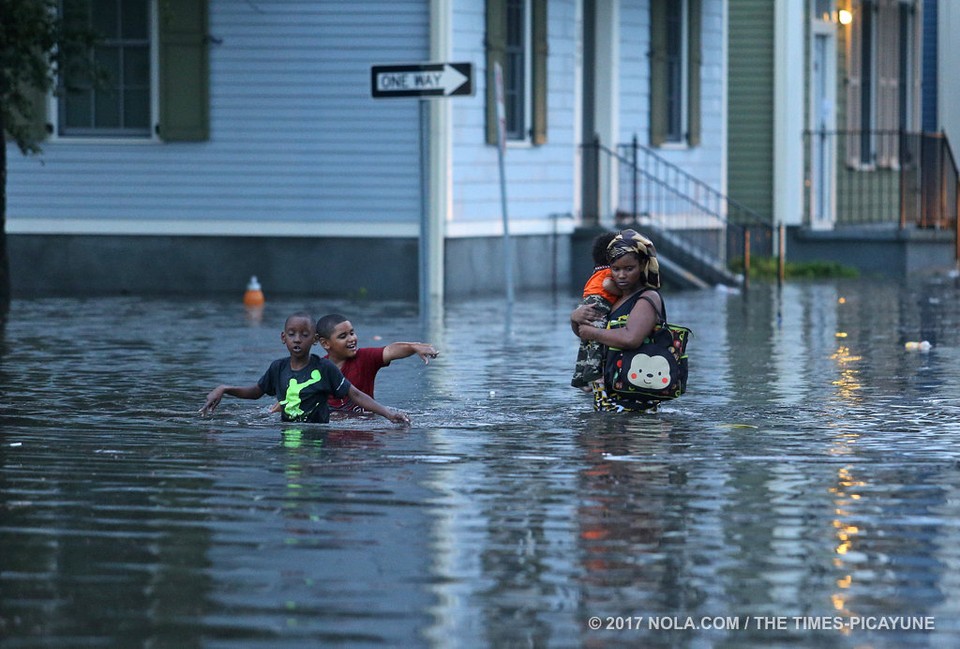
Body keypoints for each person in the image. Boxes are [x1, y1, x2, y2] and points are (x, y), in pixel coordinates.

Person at [200, 312, 410, 425]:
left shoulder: (324, 368)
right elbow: (255, 392)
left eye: (304, 334)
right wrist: (225, 389)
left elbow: (355, 394)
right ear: (284, 338)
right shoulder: (278, 368)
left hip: (318, 438)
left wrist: (388, 414)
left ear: (316, 341)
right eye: (292, 334)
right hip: (289, 436)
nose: (297, 340)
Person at [571, 229, 664, 412]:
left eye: (629, 269)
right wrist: (575, 318)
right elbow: (587, 335)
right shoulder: (612, 299)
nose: (621, 275)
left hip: (636, 403)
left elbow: (631, 338)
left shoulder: (647, 298)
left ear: (643, 265)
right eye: (616, 269)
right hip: (606, 398)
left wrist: (593, 333)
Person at [316, 313, 439, 413]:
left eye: (352, 333)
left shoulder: (364, 358)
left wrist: (413, 347)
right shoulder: (318, 369)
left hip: (365, 430)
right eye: (343, 336)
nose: (352, 339)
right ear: (325, 343)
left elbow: (390, 350)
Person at [571, 231, 620, 389]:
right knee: (597, 339)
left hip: (589, 300)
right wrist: (623, 292)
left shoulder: (597, 271)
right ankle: (593, 372)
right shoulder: (610, 273)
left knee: (587, 342)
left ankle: (580, 378)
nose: (623, 274)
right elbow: (607, 285)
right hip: (599, 304)